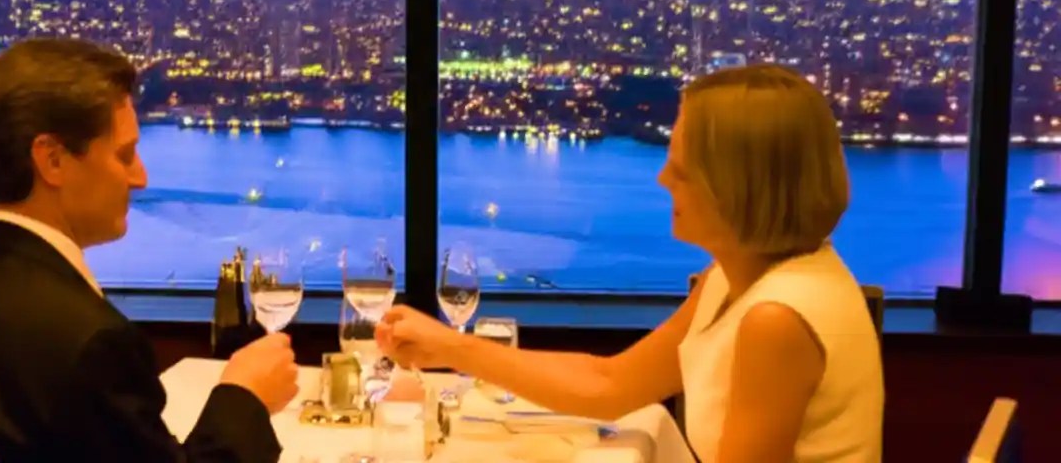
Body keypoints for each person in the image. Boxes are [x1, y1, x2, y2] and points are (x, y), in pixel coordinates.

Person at [377, 65, 884, 463]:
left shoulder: (777, 321)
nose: (663, 178)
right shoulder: (741, 279)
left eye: (683, 169)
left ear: (738, 186)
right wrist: (448, 346)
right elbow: (610, 384)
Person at [0, 38, 298, 463]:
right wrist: (246, 399)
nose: (140, 177)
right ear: (52, 160)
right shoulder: (92, 344)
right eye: (125, 155)